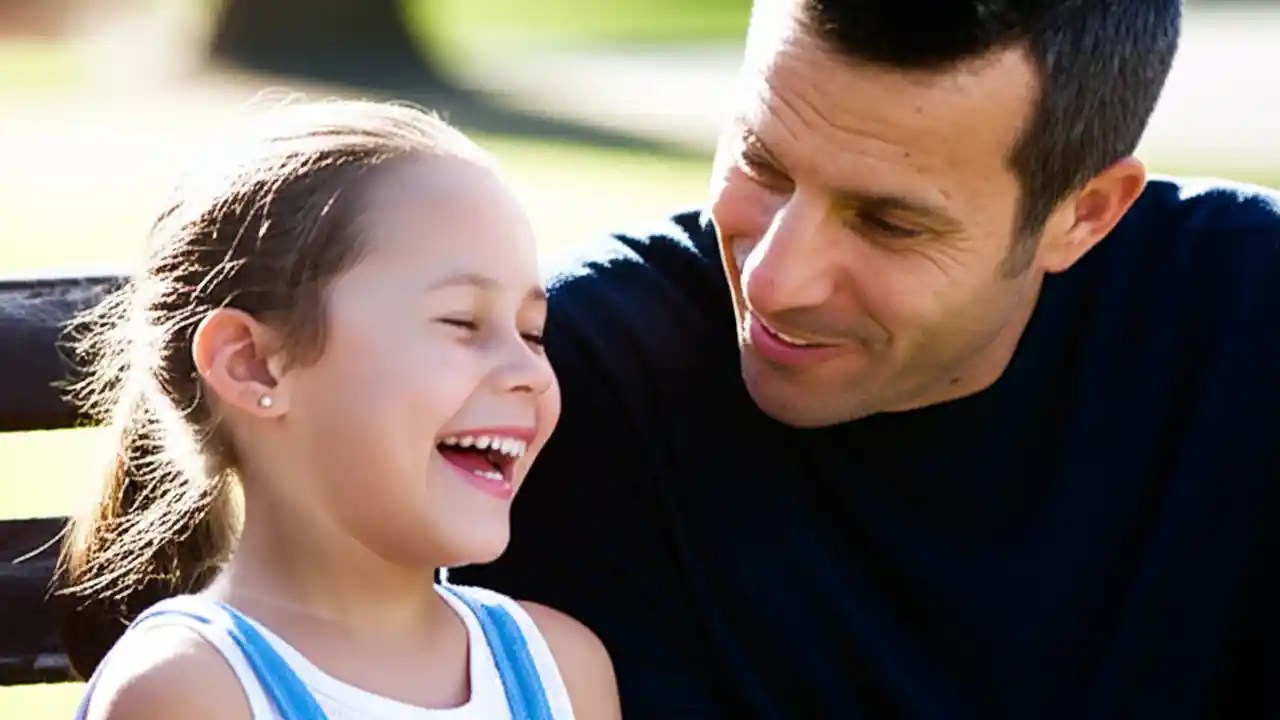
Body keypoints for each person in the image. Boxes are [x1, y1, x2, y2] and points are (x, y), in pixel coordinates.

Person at [451, 0, 1279, 717]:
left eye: (889, 224)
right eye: (761, 161)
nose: (776, 280)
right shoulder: (566, 386)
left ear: (1085, 215)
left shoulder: (1250, 325)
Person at [58, 99, 621, 719]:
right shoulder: (191, 693)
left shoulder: (560, 670)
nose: (530, 374)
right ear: (252, 364)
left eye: (534, 332)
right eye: (462, 321)